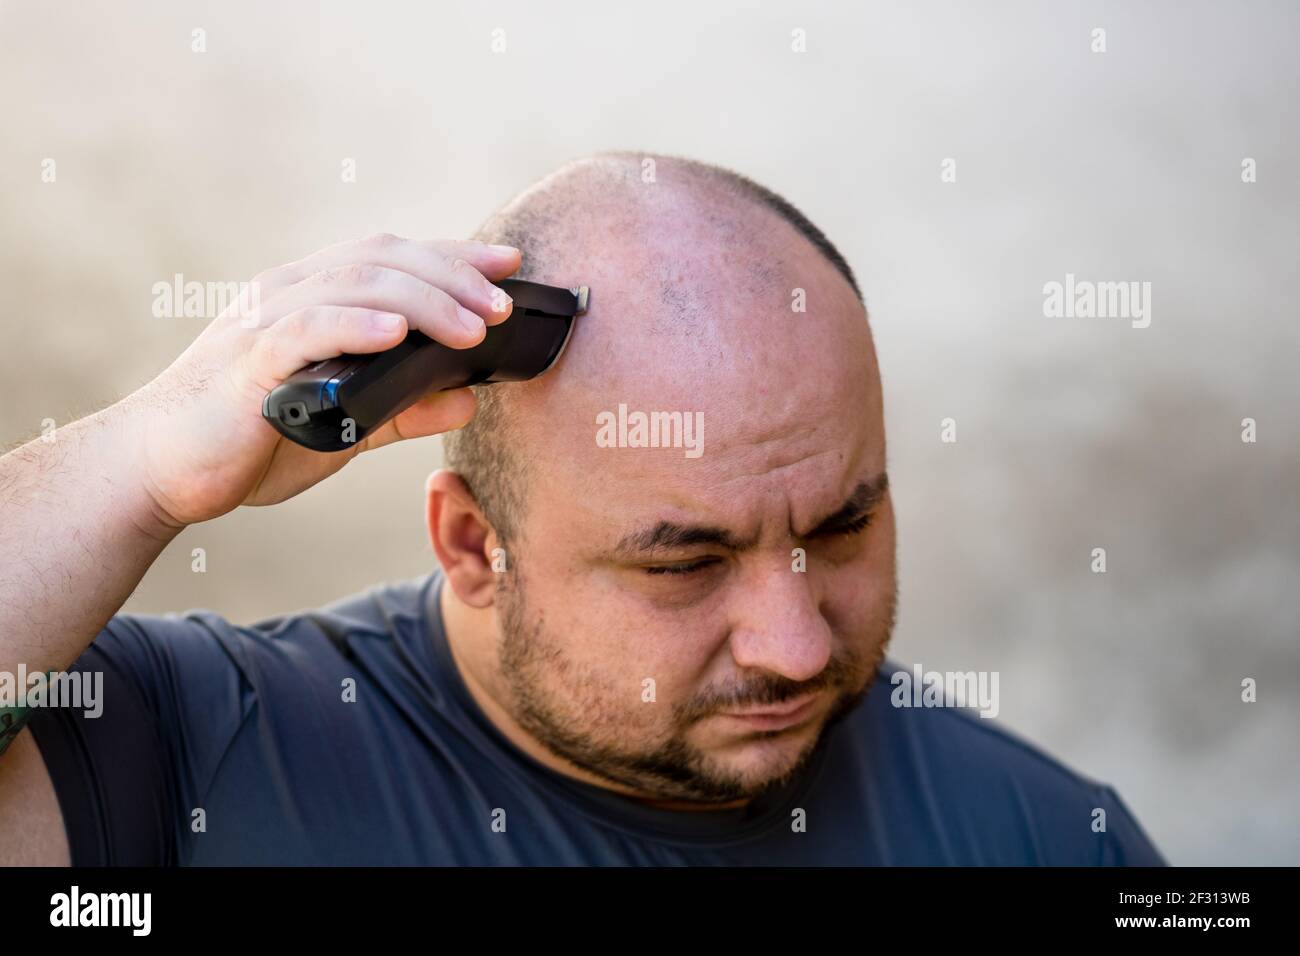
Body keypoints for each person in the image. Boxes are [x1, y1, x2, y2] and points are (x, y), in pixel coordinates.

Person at [0, 151, 1166, 865]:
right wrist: (143, 463)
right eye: (684, 563)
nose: (796, 642)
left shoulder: (1049, 839)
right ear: (470, 542)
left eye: (840, 527)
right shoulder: (186, 754)